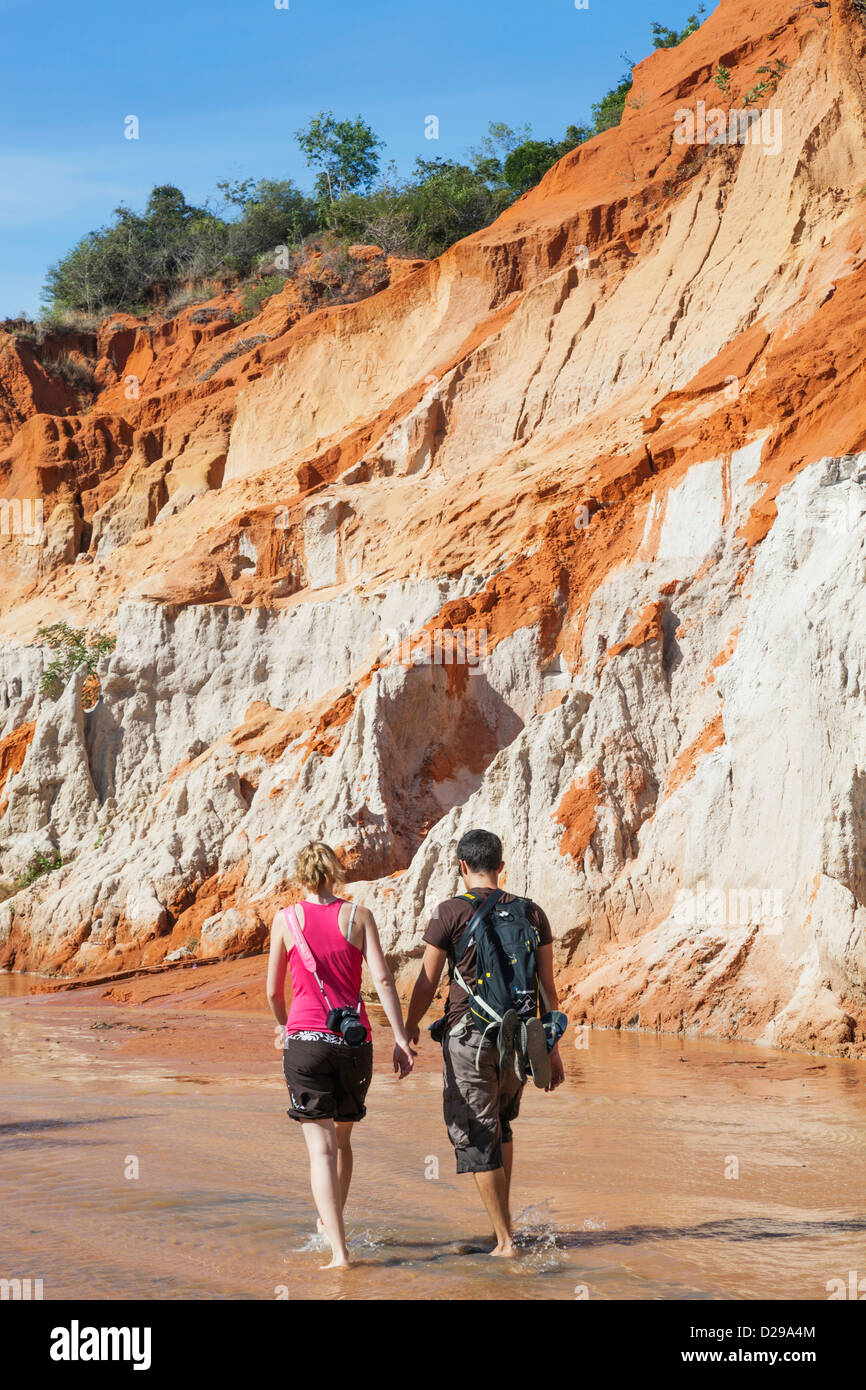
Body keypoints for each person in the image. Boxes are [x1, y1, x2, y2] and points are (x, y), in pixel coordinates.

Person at [404, 828, 565, 1257]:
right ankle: (503, 1228)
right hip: (519, 1041)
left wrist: (409, 1026)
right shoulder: (532, 913)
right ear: (500, 864)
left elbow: (426, 981)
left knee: (479, 1134)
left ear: (461, 867)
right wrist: (551, 1046)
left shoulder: (449, 912)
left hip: (470, 1038)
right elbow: (547, 987)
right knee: (503, 1125)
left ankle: (506, 1242)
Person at [267, 841, 414, 1269]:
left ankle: (338, 1252)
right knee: (344, 1143)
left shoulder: (285, 920)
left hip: (306, 1043)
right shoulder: (358, 916)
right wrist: (401, 1039)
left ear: (301, 876)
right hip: (354, 1044)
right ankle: (332, 1222)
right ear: (335, 873)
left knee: (321, 1150)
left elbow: (274, 991)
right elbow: (383, 980)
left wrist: (283, 1023)